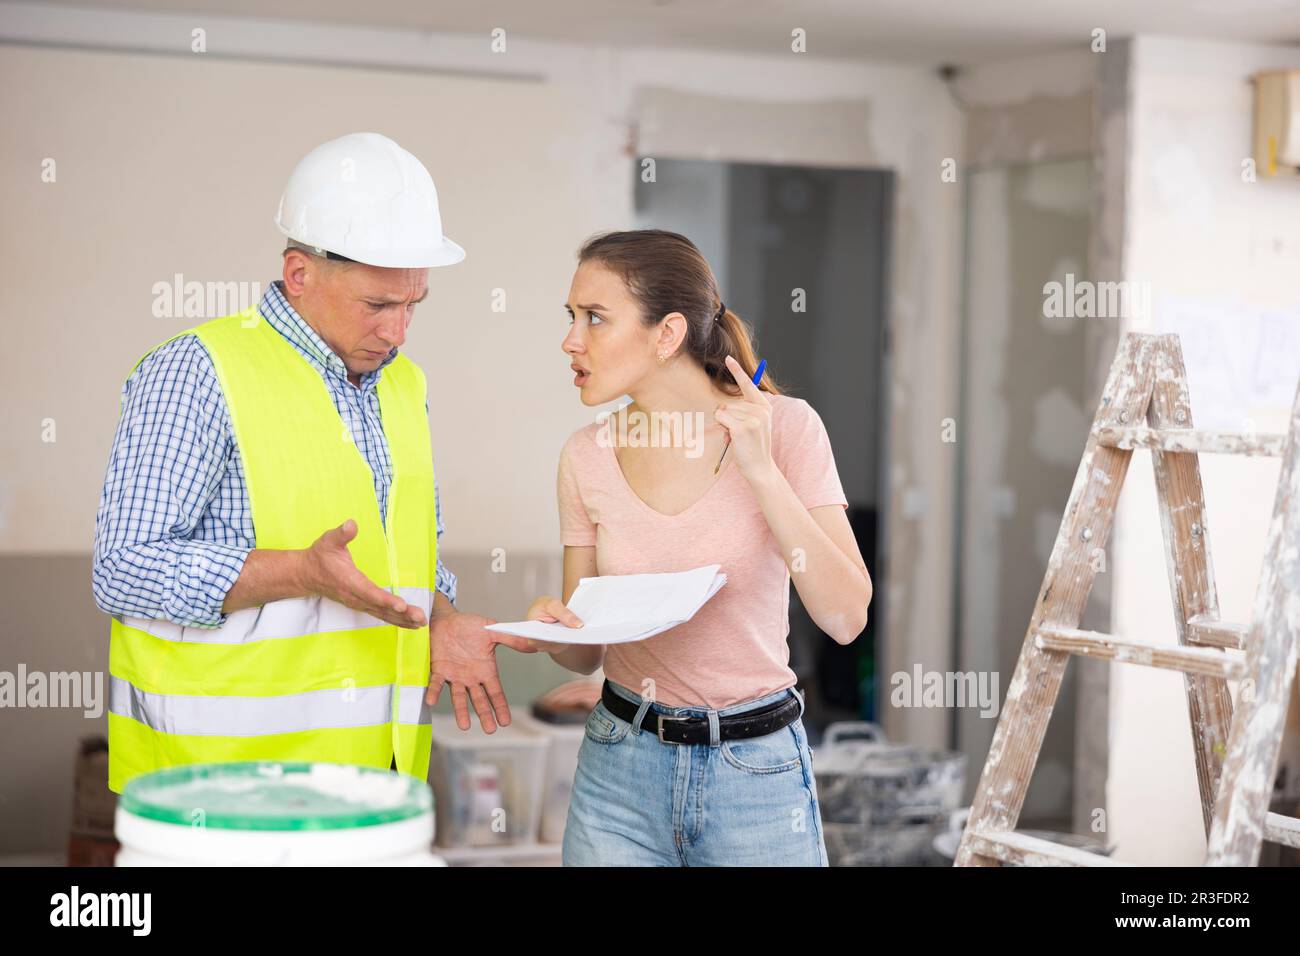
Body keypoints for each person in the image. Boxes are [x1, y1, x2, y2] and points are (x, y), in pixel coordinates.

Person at [92, 132, 528, 793]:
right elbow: (125, 570)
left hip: (372, 783)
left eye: (413, 305)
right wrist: (301, 572)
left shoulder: (404, 384)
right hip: (218, 790)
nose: (398, 332)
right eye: (378, 305)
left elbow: (408, 560)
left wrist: (445, 617)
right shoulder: (197, 371)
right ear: (300, 274)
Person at [525, 229, 872, 865]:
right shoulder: (585, 456)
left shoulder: (786, 429)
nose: (571, 340)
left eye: (595, 318)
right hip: (618, 771)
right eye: (571, 318)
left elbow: (847, 618)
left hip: (755, 775)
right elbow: (585, 650)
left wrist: (762, 472)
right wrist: (553, 631)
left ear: (668, 333)